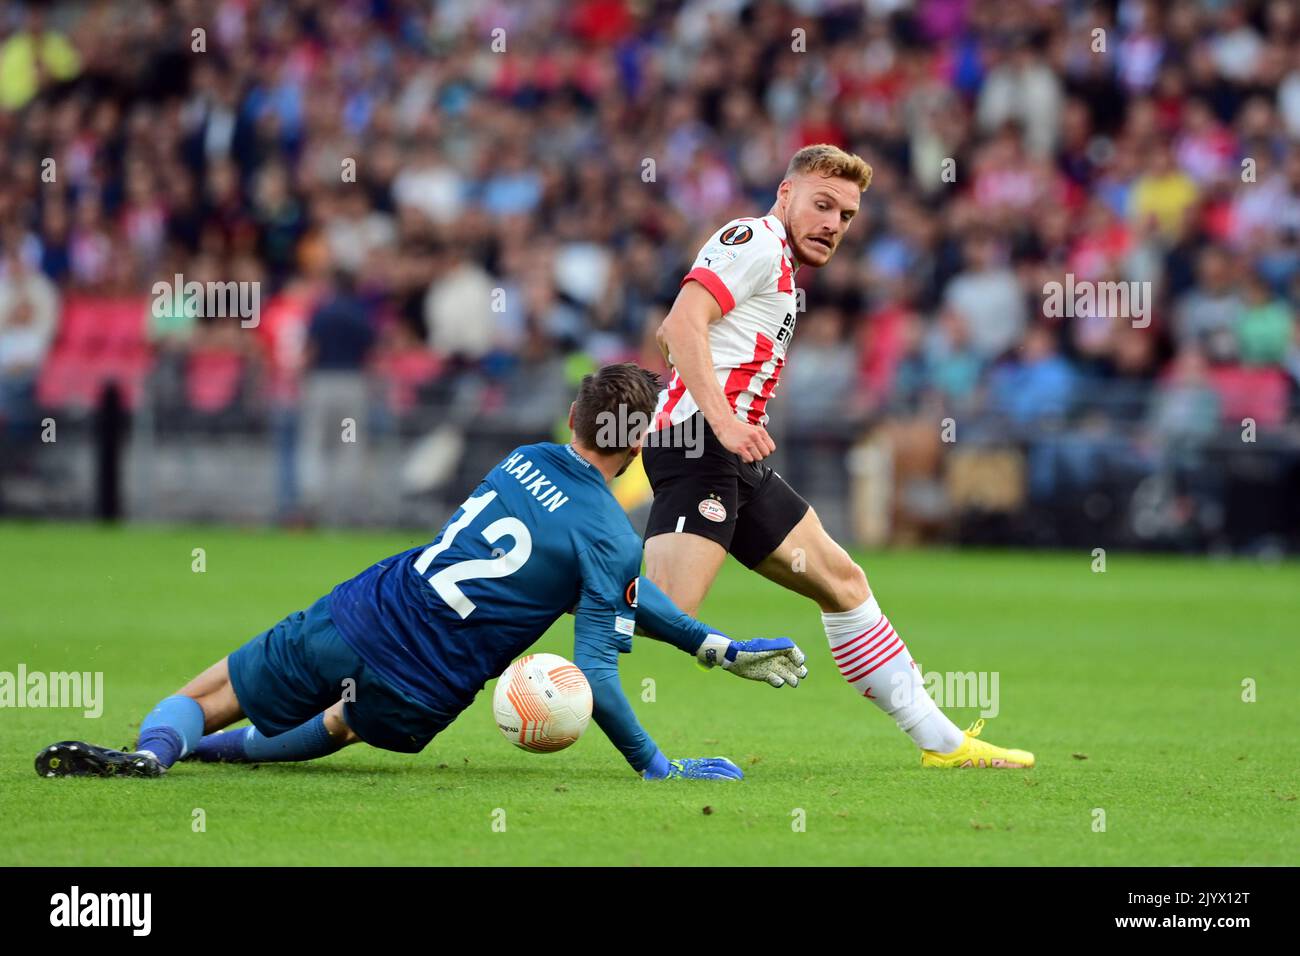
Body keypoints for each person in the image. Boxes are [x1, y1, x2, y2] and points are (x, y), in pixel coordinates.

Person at [35, 364, 807, 781]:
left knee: (214, 693)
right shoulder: (609, 535)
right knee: (343, 722)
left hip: (359, 618)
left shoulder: (520, 458)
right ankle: (210, 758)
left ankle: (158, 749)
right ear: (637, 447)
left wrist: (713, 644)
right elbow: (601, 665)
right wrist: (659, 767)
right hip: (419, 700)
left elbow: (619, 591)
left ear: (574, 421)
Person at [645, 144, 1034, 768]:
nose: (833, 224)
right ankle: (540, 584)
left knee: (844, 583)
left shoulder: (781, 268)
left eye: (846, 216)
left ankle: (943, 744)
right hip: (701, 445)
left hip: (729, 453)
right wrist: (722, 418)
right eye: (822, 204)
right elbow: (682, 321)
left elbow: (673, 334)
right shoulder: (753, 241)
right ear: (785, 194)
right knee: (665, 610)